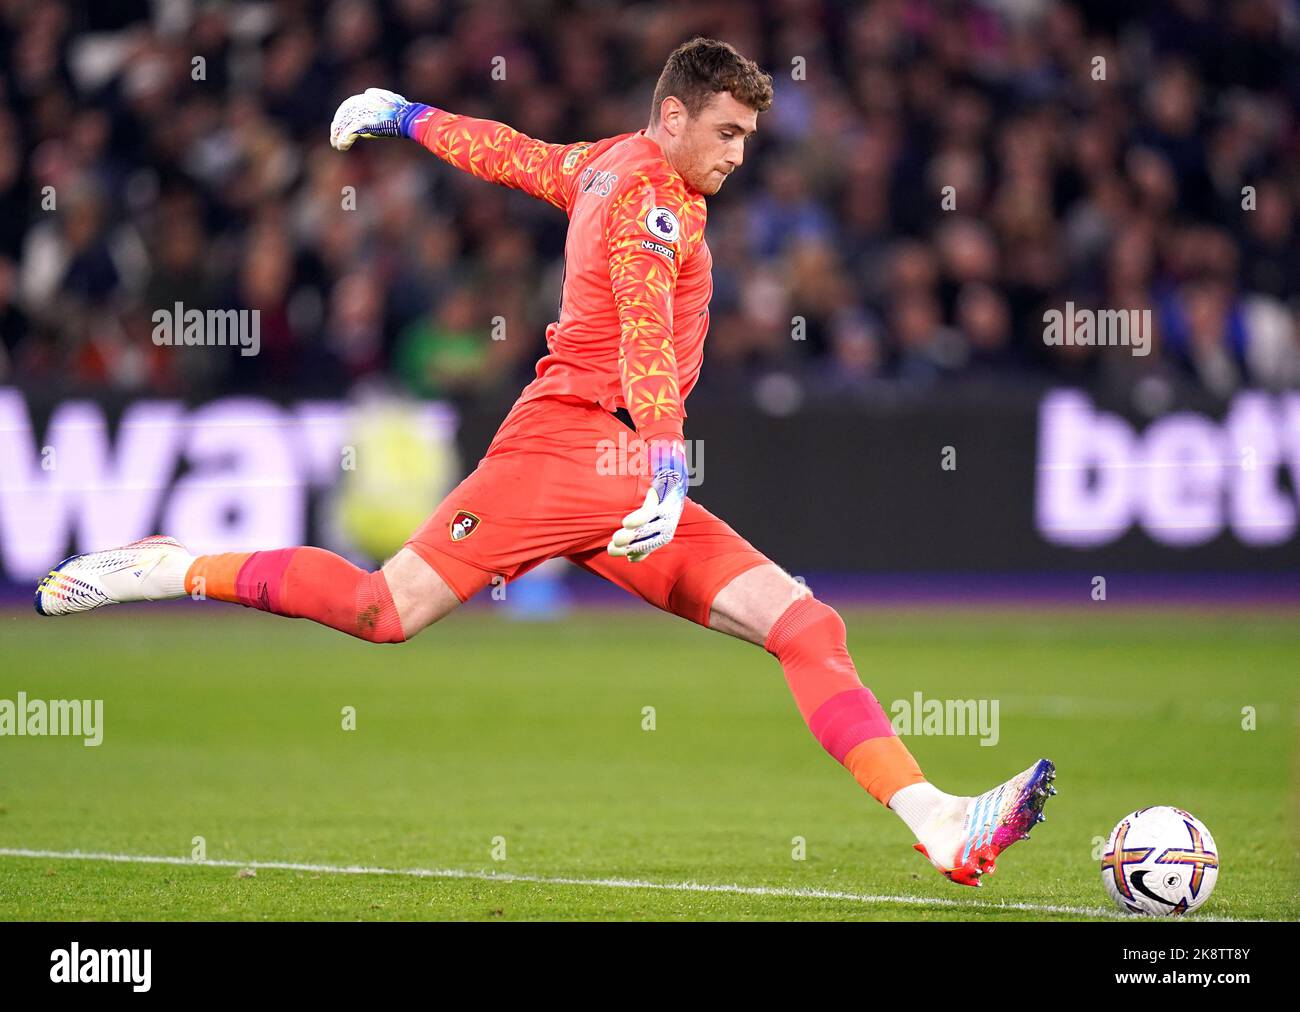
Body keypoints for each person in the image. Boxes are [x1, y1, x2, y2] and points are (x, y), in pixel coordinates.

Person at [33, 37, 1054, 887]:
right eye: (728, 132)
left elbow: (509, 153)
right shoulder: (658, 195)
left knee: (804, 623)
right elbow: (646, 329)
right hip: (569, 448)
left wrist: (408, 117)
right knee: (380, 611)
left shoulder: (601, 161)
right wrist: (665, 459)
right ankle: (176, 567)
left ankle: (936, 819)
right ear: (673, 117)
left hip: (614, 464)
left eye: (750, 135)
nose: (740, 155)